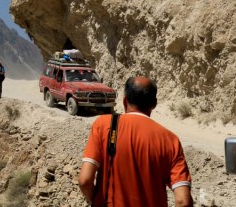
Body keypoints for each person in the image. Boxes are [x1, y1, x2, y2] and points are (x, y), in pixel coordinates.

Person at [77, 76, 193, 207]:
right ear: (154, 104)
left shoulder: (103, 125)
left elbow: (85, 180)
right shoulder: (170, 140)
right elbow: (183, 201)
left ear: (125, 101)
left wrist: (94, 201)